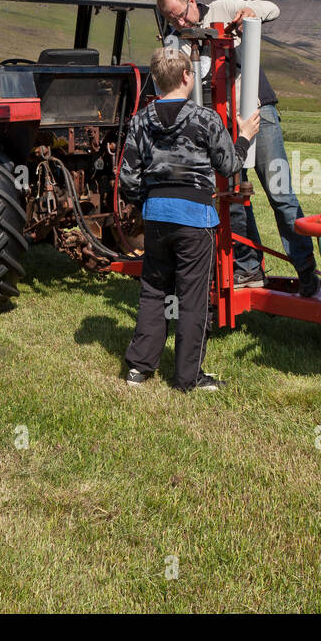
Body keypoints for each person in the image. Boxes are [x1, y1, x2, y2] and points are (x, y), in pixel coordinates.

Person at [155, 0, 320, 297]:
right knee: (234, 199)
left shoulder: (224, 8)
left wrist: (251, 12)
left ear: (190, 1)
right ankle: (248, 269)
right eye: (171, 20)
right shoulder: (177, 39)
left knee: (280, 193)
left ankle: (306, 270)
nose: (179, 24)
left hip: (257, 114)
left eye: (179, 16)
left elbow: (273, 8)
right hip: (220, 125)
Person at [118, 47, 260, 392]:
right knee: (193, 298)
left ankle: (139, 368)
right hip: (195, 218)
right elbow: (228, 166)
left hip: (155, 217)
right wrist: (243, 137)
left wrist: (148, 203)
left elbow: (127, 181)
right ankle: (187, 378)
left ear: (155, 78)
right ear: (187, 76)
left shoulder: (140, 120)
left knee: (154, 291)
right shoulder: (205, 118)